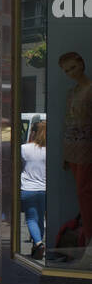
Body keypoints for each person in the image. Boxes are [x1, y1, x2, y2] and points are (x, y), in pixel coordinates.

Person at [59, 52, 92, 263]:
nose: (71, 73)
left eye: (72, 67)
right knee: (83, 196)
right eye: (66, 70)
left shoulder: (90, 90)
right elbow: (68, 122)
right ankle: (87, 244)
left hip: (86, 149)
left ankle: (89, 245)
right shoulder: (72, 92)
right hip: (72, 149)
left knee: (85, 194)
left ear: (81, 63)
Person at [20, 118, 46, 260]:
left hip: (28, 188)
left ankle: (38, 243)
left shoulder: (25, 148)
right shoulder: (50, 150)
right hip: (44, 188)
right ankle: (38, 246)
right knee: (40, 219)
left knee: (31, 218)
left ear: (34, 132)